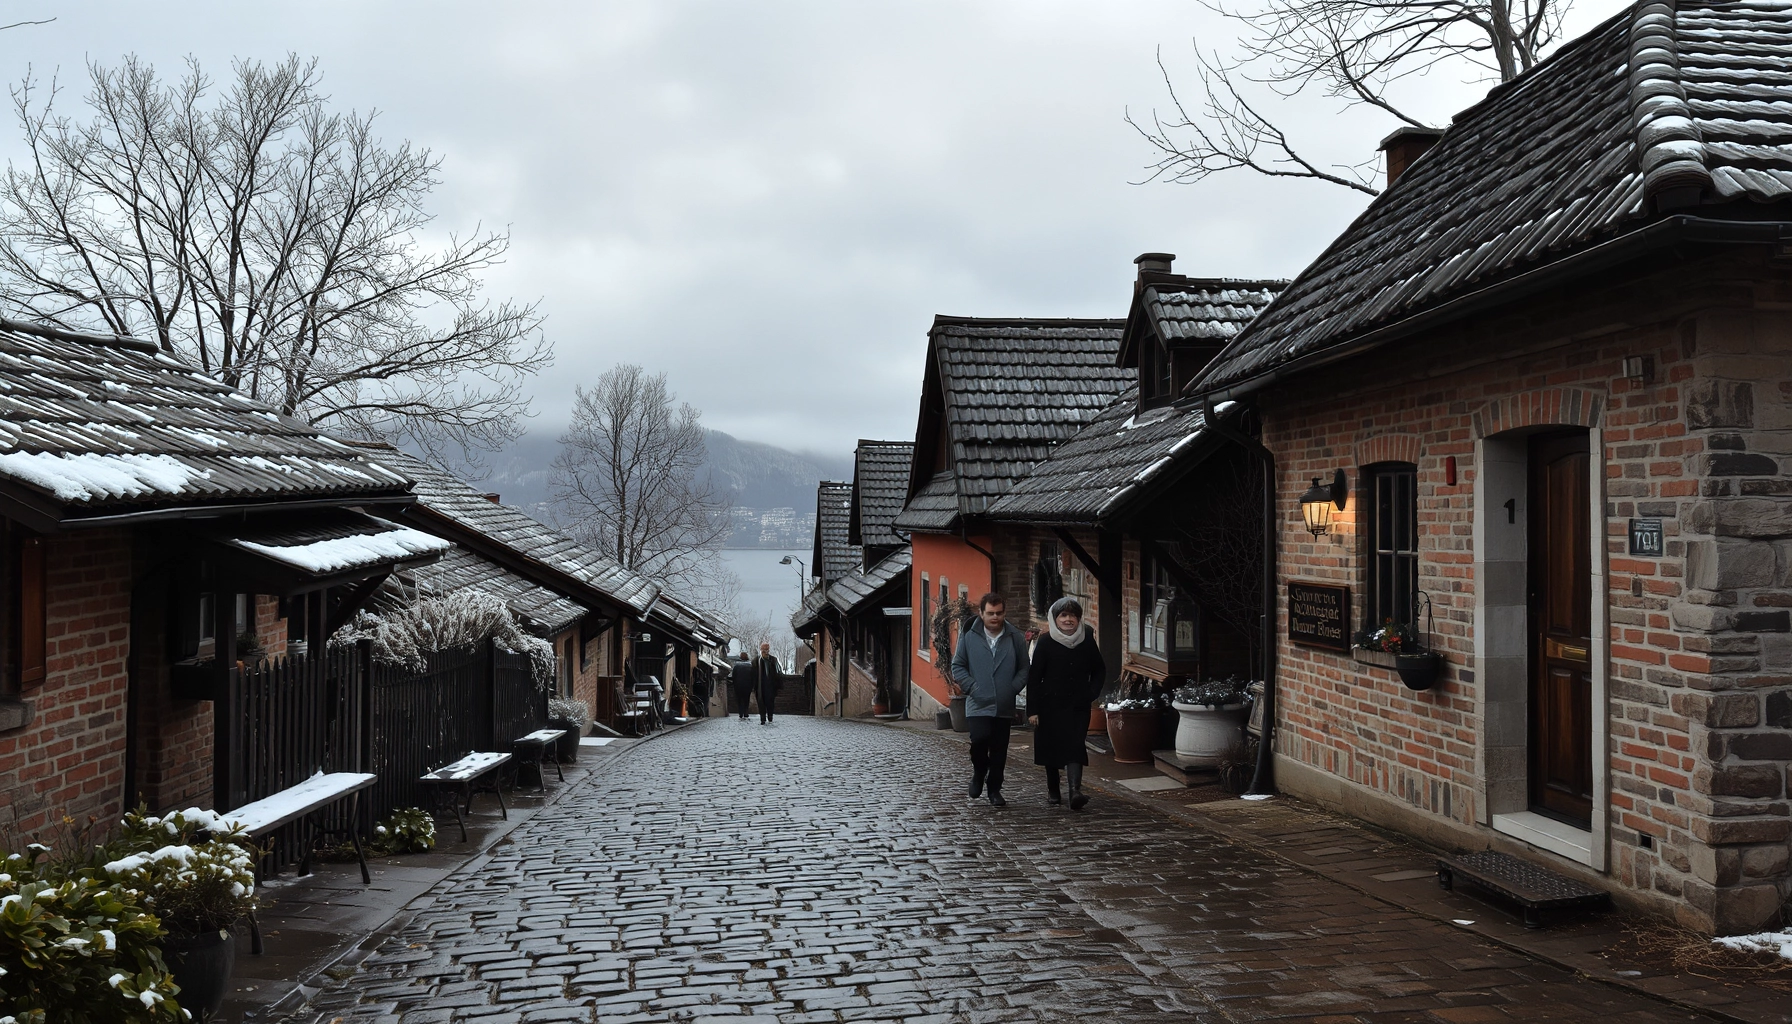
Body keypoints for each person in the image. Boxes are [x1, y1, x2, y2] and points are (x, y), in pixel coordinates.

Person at [950, 592, 1029, 807]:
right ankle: (978, 773)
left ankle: (994, 789)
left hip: (1003, 703)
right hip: (977, 701)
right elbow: (958, 666)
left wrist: (1012, 688)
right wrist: (972, 687)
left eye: (999, 613)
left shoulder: (1015, 637)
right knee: (979, 740)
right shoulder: (970, 635)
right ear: (981, 614)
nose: (995, 617)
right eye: (990, 613)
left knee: (999, 749)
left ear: (1005, 613)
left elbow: (1024, 668)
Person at [1027, 596, 1105, 810]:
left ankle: (1074, 791)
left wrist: (1092, 692)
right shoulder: (1045, 642)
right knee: (1051, 748)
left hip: (1078, 704)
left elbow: (1099, 670)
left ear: (1079, 619)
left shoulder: (1087, 641)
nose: (1068, 619)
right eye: (1063, 615)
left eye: (1072, 615)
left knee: (1075, 745)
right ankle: (1053, 790)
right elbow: (1034, 678)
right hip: (1049, 704)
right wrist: (1032, 710)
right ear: (1055, 618)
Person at [754, 642, 781, 724]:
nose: (765, 652)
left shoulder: (773, 660)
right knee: (761, 702)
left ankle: (770, 716)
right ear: (760, 650)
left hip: (771, 686)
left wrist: (778, 685)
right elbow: (753, 674)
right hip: (760, 686)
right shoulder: (756, 661)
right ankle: (762, 718)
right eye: (763, 650)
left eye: (766, 649)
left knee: (770, 702)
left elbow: (778, 672)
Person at [729, 649, 754, 721]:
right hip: (748, 686)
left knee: (739, 700)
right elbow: (753, 676)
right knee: (746, 699)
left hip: (738, 685)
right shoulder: (750, 666)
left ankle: (740, 712)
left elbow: (733, 676)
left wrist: (734, 683)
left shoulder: (737, 666)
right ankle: (746, 712)